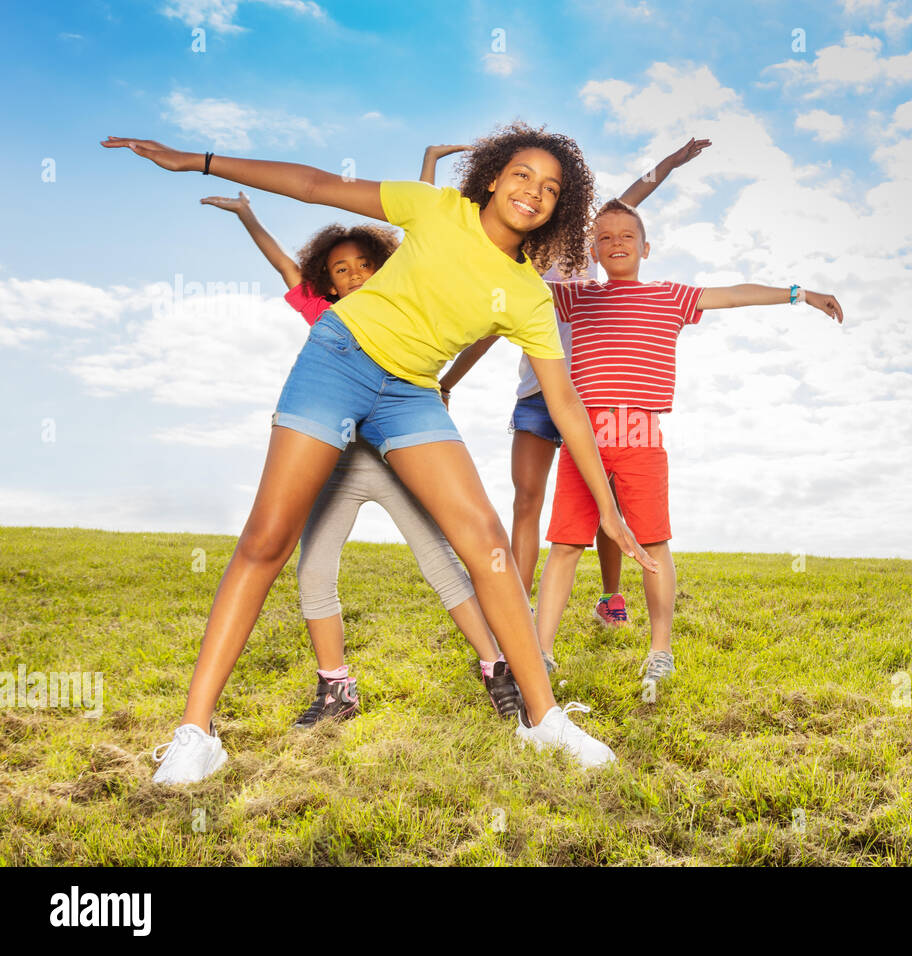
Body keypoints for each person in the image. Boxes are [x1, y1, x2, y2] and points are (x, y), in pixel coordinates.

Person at [103, 122, 657, 783]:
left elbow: (564, 405)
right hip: (339, 358)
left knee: (485, 543)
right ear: (489, 179)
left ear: (558, 209)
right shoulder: (436, 209)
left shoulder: (530, 295)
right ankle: (197, 732)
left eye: (550, 188)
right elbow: (317, 186)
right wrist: (198, 160)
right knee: (268, 538)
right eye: (521, 175)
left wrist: (607, 507)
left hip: (410, 395)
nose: (534, 192)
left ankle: (543, 721)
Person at [199, 145, 524, 727]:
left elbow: (416, 228)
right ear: (328, 278)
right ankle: (336, 689)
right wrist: (249, 214)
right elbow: (283, 264)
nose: (352, 276)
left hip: (395, 455)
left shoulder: (407, 293)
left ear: (384, 268)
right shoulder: (325, 316)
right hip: (336, 462)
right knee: (314, 568)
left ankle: (496, 665)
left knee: (440, 559)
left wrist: (425, 164)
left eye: (363, 267)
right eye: (340, 270)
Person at [533, 198, 842, 695]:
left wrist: (798, 293)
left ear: (646, 247)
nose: (615, 244)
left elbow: (736, 295)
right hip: (583, 437)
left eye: (626, 236)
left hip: (641, 438)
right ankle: (540, 652)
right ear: (592, 248)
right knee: (566, 542)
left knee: (653, 542)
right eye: (605, 237)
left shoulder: (669, 296)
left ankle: (660, 651)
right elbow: (511, 286)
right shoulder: (577, 296)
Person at [436, 138, 711, 652]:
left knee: (610, 498)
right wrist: (448, 380)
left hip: (596, 395)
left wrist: (671, 163)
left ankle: (611, 596)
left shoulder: (585, 252)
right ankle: (518, 605)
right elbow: (487, 333)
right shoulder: (520, 267)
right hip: (540, 395)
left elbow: (631, 200)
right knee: (530, 501)